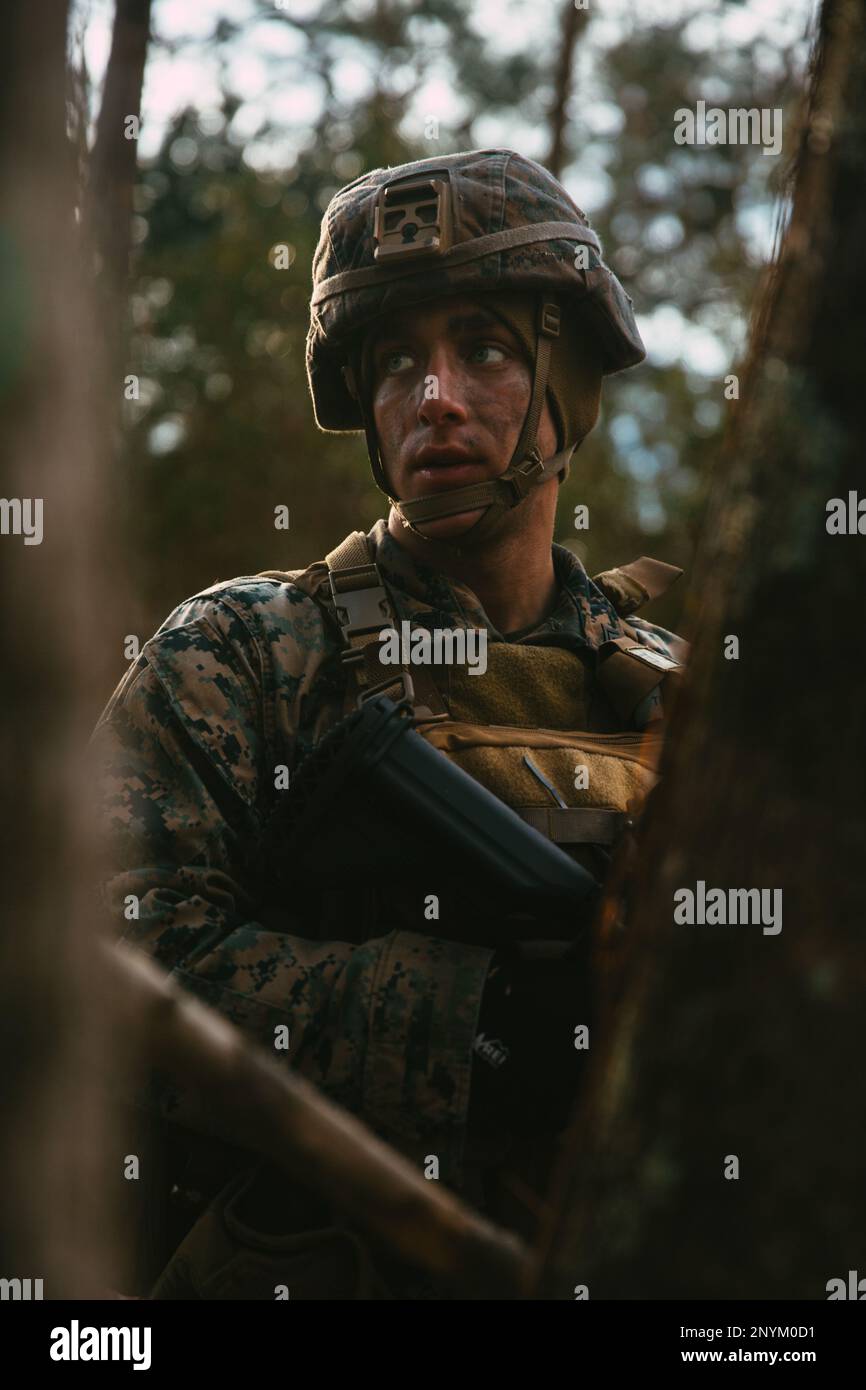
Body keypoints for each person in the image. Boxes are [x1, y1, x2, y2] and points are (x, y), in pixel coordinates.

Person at [94, 148, 687, 1300]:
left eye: (483, 349)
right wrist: (471, 1028)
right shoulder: (244, 653)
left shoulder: (676, 702)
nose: (434, 398)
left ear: (566, 386)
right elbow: (94, 968)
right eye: (395, 362)